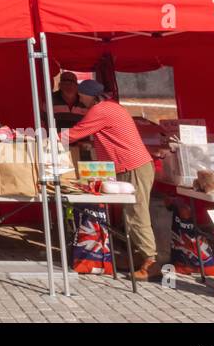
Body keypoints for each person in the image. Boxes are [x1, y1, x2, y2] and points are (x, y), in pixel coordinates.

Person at [62, 79, 157, 279]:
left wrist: (45, 138)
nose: (80, 99)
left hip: (133, 166)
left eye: (81, 95)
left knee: (136, 214)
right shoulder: (111, 107)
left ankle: (150, 261)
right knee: (130, 215)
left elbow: (75, 133)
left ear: (89, 95)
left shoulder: (100, 110)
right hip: (130, 166)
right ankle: (138, 256)